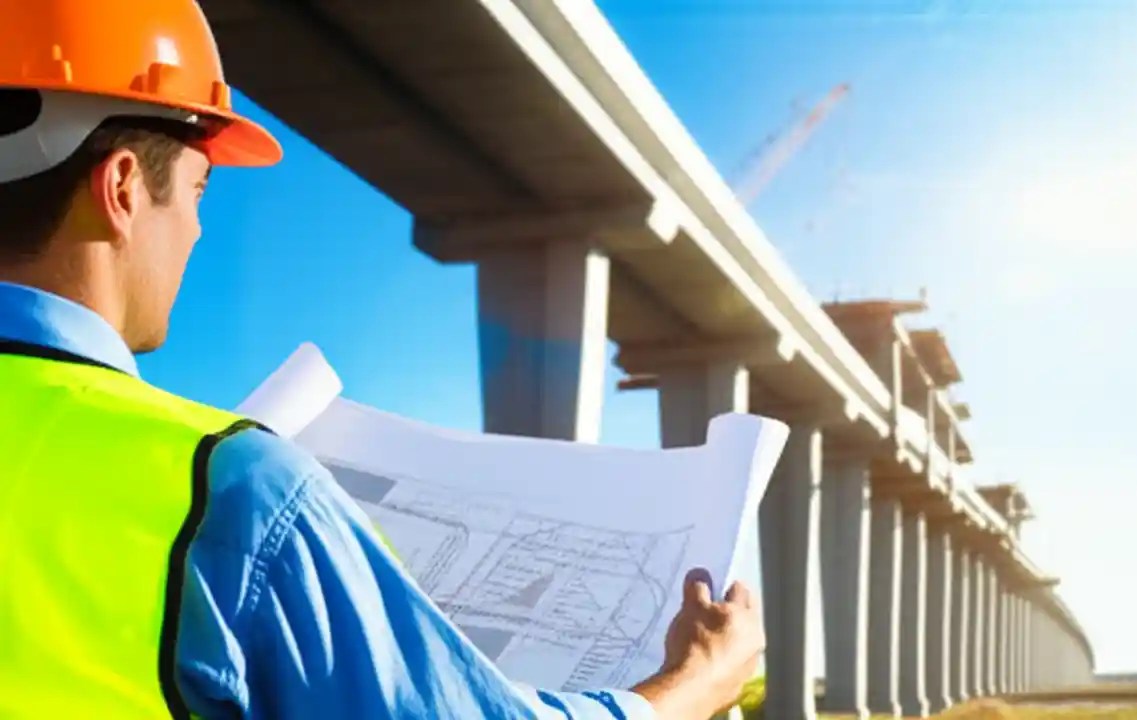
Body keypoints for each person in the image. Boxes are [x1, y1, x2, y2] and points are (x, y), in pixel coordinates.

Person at [0, 1, 764, 718]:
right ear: (124, 187)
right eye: (200, 190)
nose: (198, 229)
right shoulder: (230, 489)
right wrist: (693, 683)